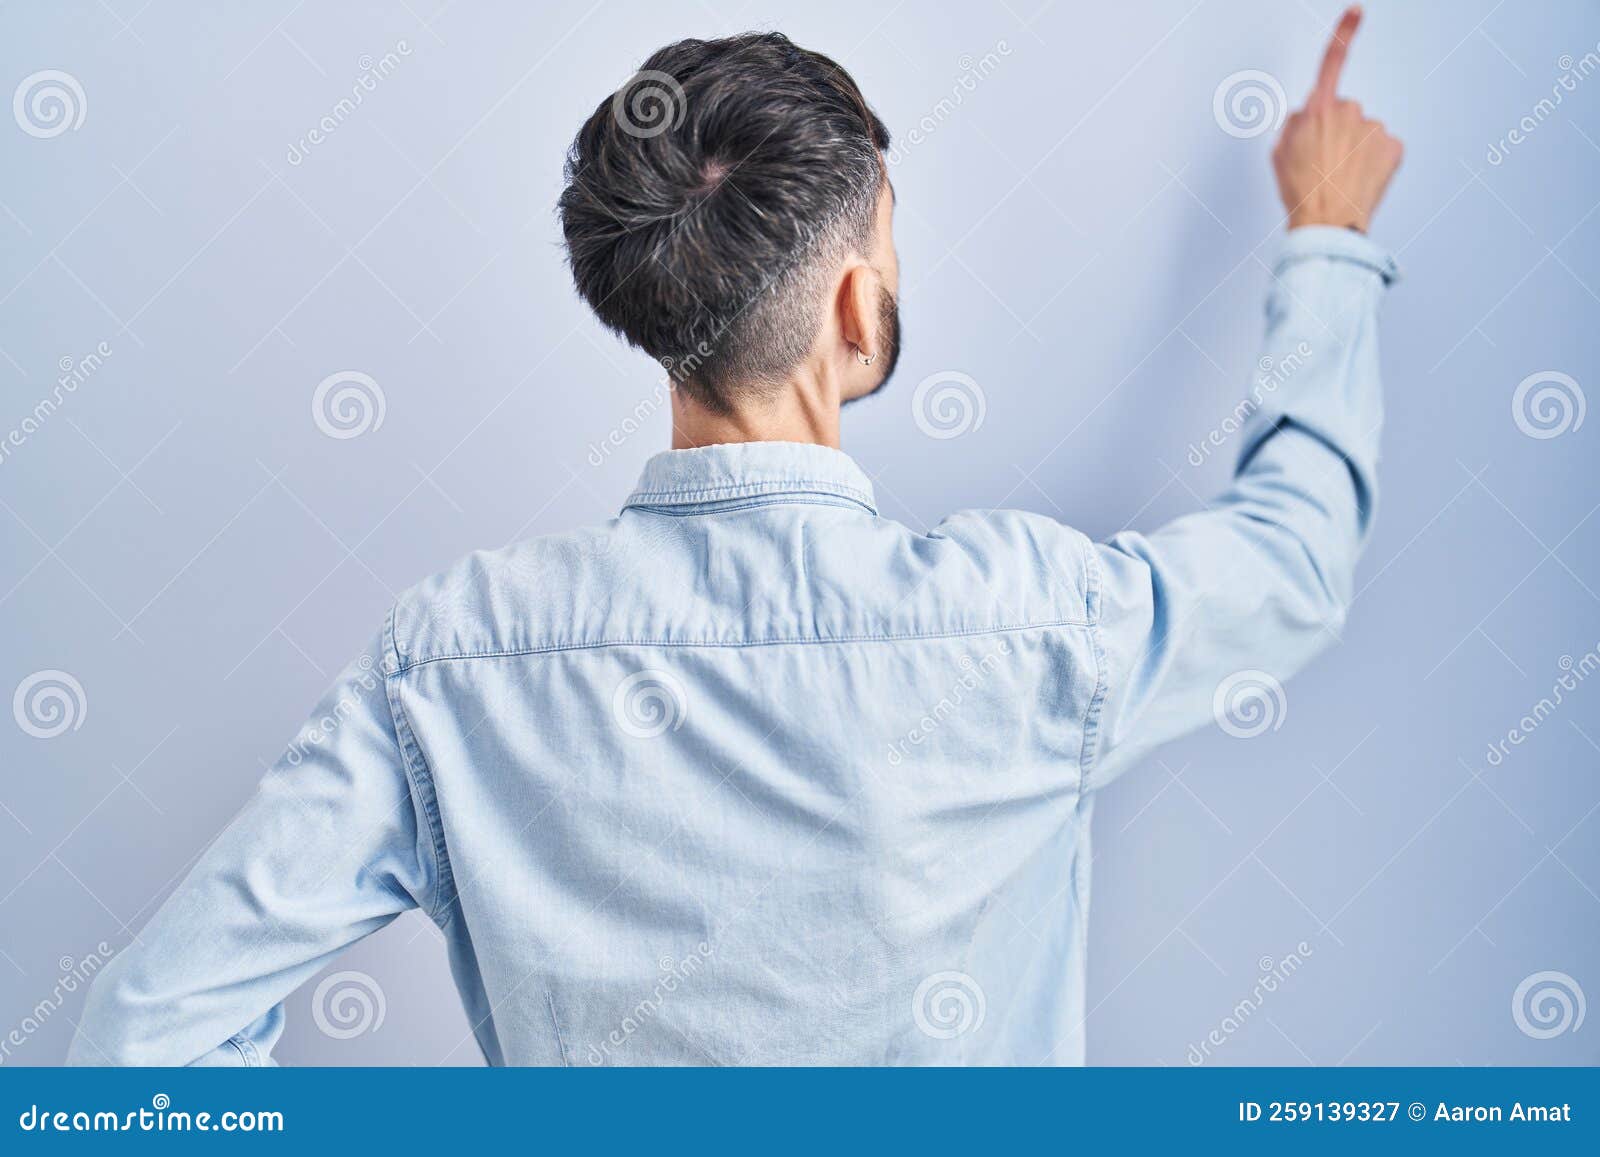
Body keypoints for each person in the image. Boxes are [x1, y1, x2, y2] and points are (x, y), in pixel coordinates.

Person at [70, 7, 1401, 1066]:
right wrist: (1328, 239)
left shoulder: (453, 660)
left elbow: (145, 1046)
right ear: (859, 310)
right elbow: (1295, 557)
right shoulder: (1038, 620)